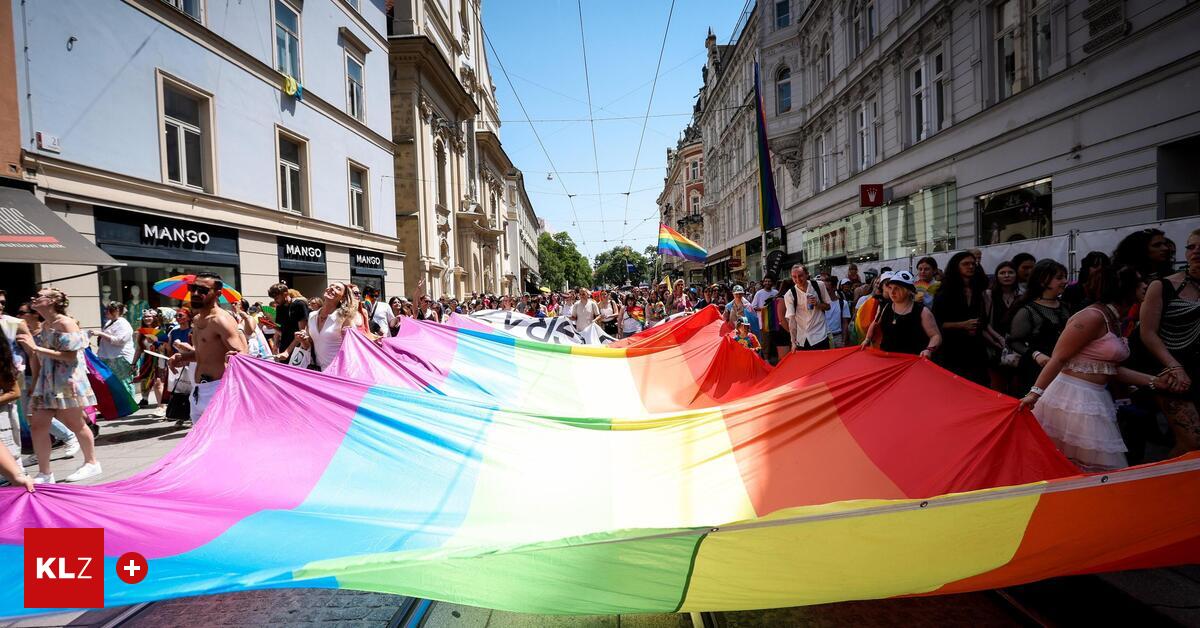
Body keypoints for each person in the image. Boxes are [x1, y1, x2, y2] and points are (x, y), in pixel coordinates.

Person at [1020, 266, 1163, 471]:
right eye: (1139, 281)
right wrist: (1034, 395)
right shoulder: (1092, 317)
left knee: (1086, 469)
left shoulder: (1113, 317)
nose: (1145, 286)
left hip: (1095, 398)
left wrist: (1154, 381)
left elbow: (1110, 369)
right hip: (1071, 399)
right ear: (1123, 287)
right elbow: (1059, 358)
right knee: (1085, 468)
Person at [15, 288, 101, 484]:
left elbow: (70, 356)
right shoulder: (46, 325)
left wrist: (36, 348)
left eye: (39, 296)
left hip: (66, 380)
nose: (33, 298)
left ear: (53, 301)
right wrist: (35, 381)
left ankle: (91, 462)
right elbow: (37, 357)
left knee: (75, 424)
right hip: (46, 381)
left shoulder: (66, 323)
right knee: (37, 425)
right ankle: (45, 473)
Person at [1137, 227, 1200, 456]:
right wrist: (1175, 367)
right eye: (1191, 247)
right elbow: (1148, 333)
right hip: (1172, 370)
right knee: (1194, 441)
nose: (1195, 252)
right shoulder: (1163, 286)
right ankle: (1159, 486)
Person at [167, 273, 248, 423]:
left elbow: (244, 358)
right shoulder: (197, 319)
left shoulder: (221, 320)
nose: (196, 293)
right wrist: (182, 357)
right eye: (193, 288)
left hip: (218, 390)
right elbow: (204, 355)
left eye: (203, 290)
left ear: (217, 294)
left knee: (220, 444)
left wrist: (236, 357)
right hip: (198, 390)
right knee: (200, 444)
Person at [1008, 260, 1071, 393]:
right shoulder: (1028, 310)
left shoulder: (1066, 307)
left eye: (1065, 277)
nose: (1065, 281)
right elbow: (1014, 341)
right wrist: (1036, 354)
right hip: (1036, 370)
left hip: (1064, 368)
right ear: (1043, 281)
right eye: (1059, 278)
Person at [933, 251, 992, 385]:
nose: (971, 266)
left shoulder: (978, 291)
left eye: (973, 264)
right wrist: (962, 325)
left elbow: (983, 319)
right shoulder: (945, 293)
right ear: (956, 267)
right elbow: (937, 323)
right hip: (952, 349)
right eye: (966, 264)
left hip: (976, 349)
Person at [863, 270, 941, 358]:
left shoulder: (922, 311)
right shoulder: (885, 307)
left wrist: (929, 349)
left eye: (897, 288)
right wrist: (867, 339)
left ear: (908, 290)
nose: (892, 292)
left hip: (911, 361)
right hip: (887, 358)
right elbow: (875, 323)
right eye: (890, 287)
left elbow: (935, 335)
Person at [90, 302, 136, 401]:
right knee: (113, 384)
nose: (106, 312)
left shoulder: (123, 323)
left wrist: (101, 334)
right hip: (109, 357)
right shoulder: (109, 322)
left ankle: (129, 405)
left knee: (124, 382)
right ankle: (120, 406)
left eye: (109, 310)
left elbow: (120, 340)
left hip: (120, 358)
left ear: (117, 311)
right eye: (106, 309)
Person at [987, 261, 1021, 392]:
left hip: (1017, 346)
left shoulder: (1021, 296)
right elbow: (985, 323)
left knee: (1016, 386)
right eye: (1002, 273)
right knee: (996, 387)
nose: (1006, 275)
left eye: (1010, 272)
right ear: (997, 276)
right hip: (994, 344)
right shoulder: (989, 295)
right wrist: (1000, 339)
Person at [783, 264, 833, 351]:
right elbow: (792, 320)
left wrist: (817, 304)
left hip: (820, 335)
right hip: (802, 338)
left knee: (823, 363)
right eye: (794, 277)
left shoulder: (819, 285)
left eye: (800, 276)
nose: (798, 279)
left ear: (807, 274)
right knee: (806, 364)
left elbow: (828, 306)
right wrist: (793, 342)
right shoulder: (789, 294)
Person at [269, 282, 308, 359]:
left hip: (298, 349)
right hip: (284, 347)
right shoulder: (279, 307)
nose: (275, 301)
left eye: (276, 298)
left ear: (285, 294)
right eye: (273, 298)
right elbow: (281, 331)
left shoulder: (299, 305)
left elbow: (302, 333)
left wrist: (287, 352)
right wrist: (275, 345)